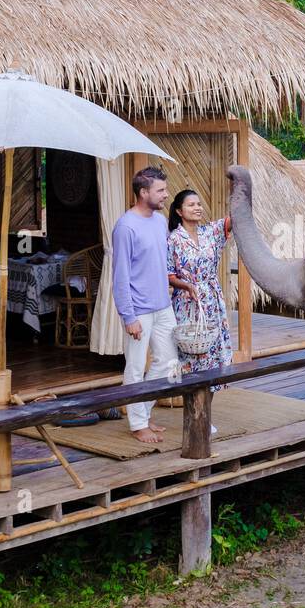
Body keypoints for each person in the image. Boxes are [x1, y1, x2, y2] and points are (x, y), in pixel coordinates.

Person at [111, 166, 194, 445]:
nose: (166, 195)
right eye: (160, 190)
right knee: (135, 367)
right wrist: (128, 316)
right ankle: (137, 424)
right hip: (138, 311)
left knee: (170, 363)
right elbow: (120, 276)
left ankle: (143, 415)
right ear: (143, 192)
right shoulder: (125, 227)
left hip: (163, 306)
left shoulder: (159, 222)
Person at [166, 189, 233, 433]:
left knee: (212, 359)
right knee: (191, 361)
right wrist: (186, 285)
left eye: (198, 204)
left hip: (212, 303)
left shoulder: (210, 233)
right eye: (191, 204)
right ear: (179, 211)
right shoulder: (174, 239)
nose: (197, 207)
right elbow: (169, 274)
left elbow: (233, 219)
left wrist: (240, 190)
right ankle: (192, 415)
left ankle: (204, 417)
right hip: (187, 304)